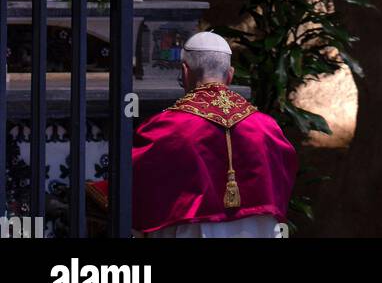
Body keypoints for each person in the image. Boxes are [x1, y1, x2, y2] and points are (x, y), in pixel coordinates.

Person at [87, 31, 297, 237]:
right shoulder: (267, 126)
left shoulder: (166, 126)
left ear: (185, 71)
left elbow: (133, 181)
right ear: (230, 74)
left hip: (189, 231)